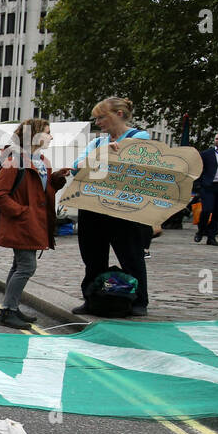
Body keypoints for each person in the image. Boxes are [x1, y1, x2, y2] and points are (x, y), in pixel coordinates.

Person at [72, 96, 152, 316]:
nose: (98, 122)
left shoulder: (139, 137)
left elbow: (133, 163)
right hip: (92, 206)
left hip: (123, 208)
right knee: (93, 257)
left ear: (118, 114)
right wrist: (102, 154)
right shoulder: (97, 143)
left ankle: (139, 301)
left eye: (101, 117)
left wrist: (102, 158)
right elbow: (75, 167)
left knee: (131, 256)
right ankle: (92, 299)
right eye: (96, 118)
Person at [0, 119, 69, 329]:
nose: (51, 136)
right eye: (47, 132)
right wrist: (22, 212)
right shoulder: (14, 158)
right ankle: (7, 311)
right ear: (34, 135)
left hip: (34, 223)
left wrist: (56, 179)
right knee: (27, 266)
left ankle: (12, 307)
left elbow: (39, 191)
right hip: (24, 223)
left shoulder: (42, 160)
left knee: (19, 265)